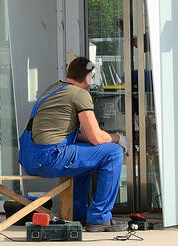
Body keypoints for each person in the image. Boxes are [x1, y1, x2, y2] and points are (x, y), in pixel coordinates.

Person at [18, 56, 127, 232]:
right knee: (113, 152)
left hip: (30, 157)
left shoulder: (53, 89)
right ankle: (99, 219)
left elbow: (77, 137)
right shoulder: (80, 94)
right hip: (49, 158)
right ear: (88, 77)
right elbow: (96, 138)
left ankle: (77, 214)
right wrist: (119, 138)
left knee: (85, 158)